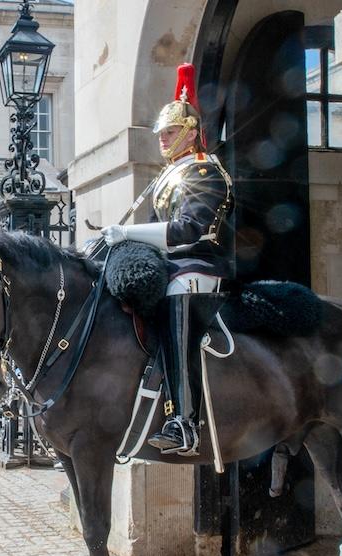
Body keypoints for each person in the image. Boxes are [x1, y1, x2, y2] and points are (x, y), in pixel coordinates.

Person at [101, 63, 235, 455]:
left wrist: (126, 232)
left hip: (201, 265)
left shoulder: (206, 171)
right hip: (171, 262)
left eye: (170, 131)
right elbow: (154, 231)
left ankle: (184, 421)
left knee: (176, 289)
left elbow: (187, 231)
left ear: (191, 132)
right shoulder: (166, 178)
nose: (162, 139)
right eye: (160, 133)